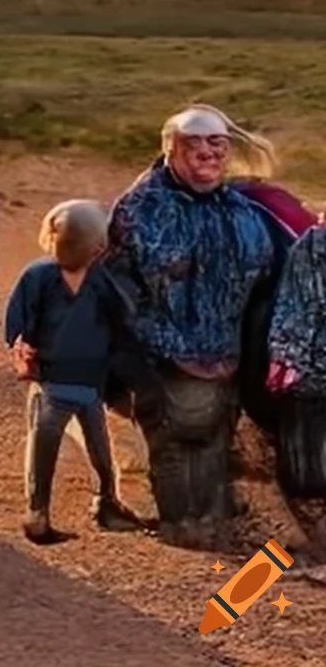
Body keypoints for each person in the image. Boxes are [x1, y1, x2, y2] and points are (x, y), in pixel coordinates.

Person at [103, 104, 276, 544]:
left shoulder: (242, 212)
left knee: (214, 444)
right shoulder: (139, 211)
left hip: (226, 363)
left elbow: (262, 286)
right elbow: (121, 295)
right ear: (169, 150)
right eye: (192, 143)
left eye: (216, 143)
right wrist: (168, 352)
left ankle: (212, 526)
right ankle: (178, 533)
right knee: (173, 449)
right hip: (161, 364)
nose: (206, 152)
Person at [5, 198, 147, 545]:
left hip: (84, 386)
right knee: (48, 448)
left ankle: (101, 503)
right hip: (55, 384)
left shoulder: (90, 280)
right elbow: (16, 326)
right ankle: (40, 513)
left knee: (95, 451)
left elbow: (123, 321)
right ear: (99, 246)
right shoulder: (45, 277)